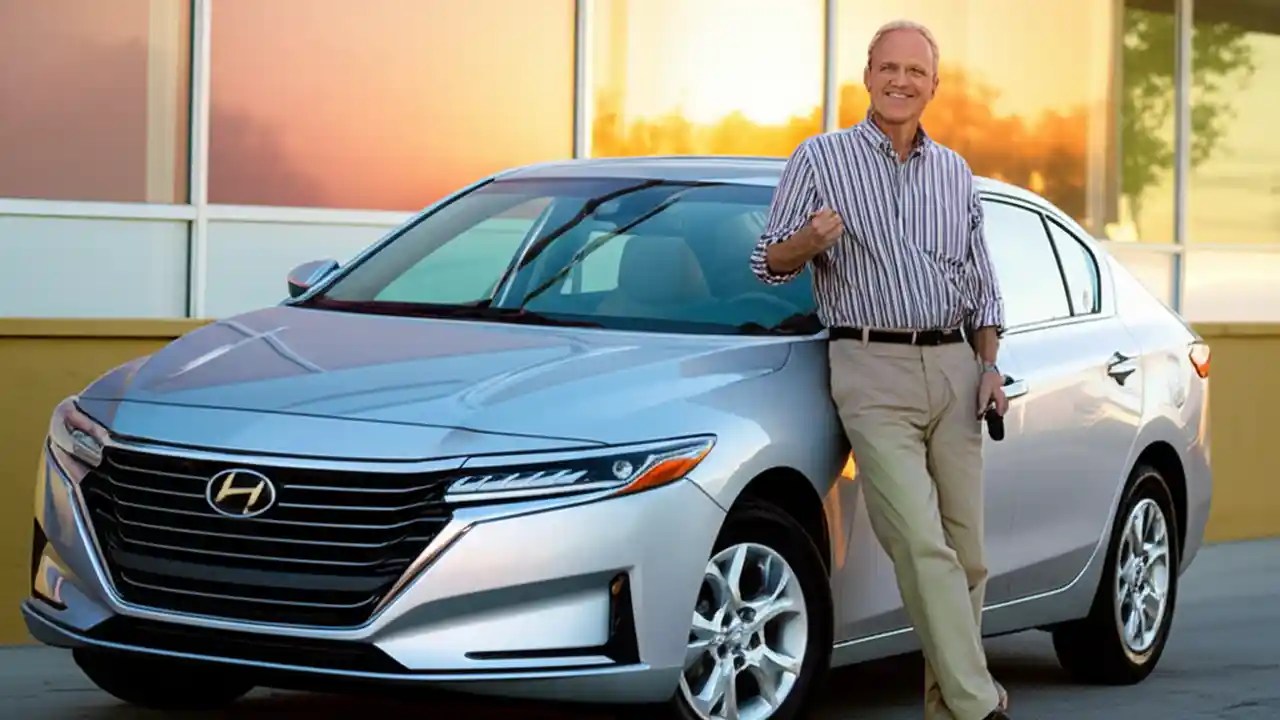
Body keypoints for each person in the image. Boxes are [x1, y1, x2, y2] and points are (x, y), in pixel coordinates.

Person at [749, 18, 1012, 720]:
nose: (901, 81)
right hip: (869, 367)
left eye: (916, 72)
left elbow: (981, 283)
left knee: (968, 559)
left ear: (933, 86)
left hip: (955, 369)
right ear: (867, 77)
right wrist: (807, 242)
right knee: (922, 546)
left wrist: (989, 365)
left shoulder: (955, 172)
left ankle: (950, 708)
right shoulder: (820, 157)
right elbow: (768, 261)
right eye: (888, 68)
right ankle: (982, 704)